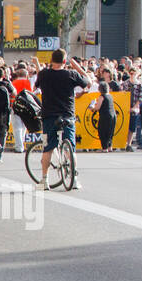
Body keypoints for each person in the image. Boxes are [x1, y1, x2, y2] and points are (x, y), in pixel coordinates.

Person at [35, 49, 90, 191]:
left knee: (47, 148)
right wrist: (77, 66)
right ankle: (74, 178)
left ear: (52, 60)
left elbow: (37, 84)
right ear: (64, 62)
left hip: (49, 116)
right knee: (70, 147)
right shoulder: (71, 74)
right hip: (67, 115)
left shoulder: (44, 74)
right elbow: (88, 82)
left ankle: (44, 180)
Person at [90, 80, 116, 153]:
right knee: (110, 132)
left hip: (105, 116)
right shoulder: (110, 95)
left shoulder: (102, 96)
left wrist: (92, 108)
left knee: (102, 131)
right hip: (113, 115)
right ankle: (110, 146)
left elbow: (97, 107)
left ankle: (104, 148)